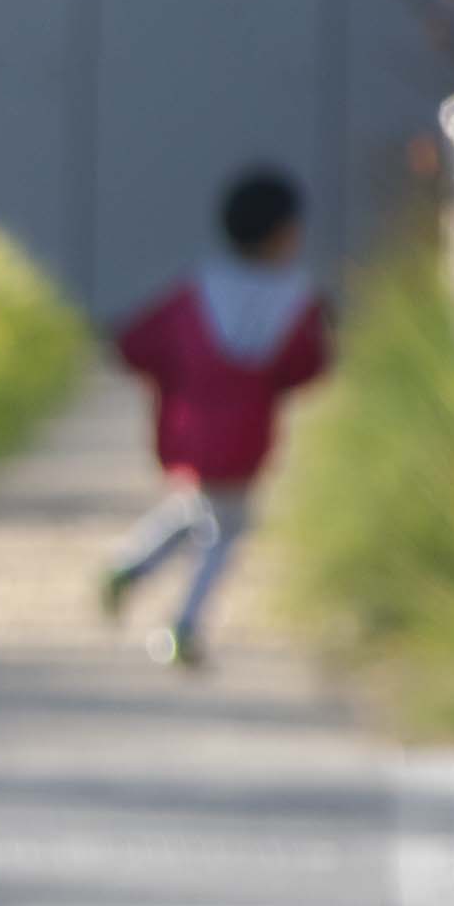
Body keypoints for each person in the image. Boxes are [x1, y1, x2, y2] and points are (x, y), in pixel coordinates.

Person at [97, 166, 332, 669]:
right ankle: (185, 623)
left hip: (191, 427)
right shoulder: (293, 300)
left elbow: (135, 344)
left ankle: (128, 568)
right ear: (283, 233)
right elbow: (309, 364)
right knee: (226, 529)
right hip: (246, 433)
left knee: (201, 510)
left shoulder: (197, 292)